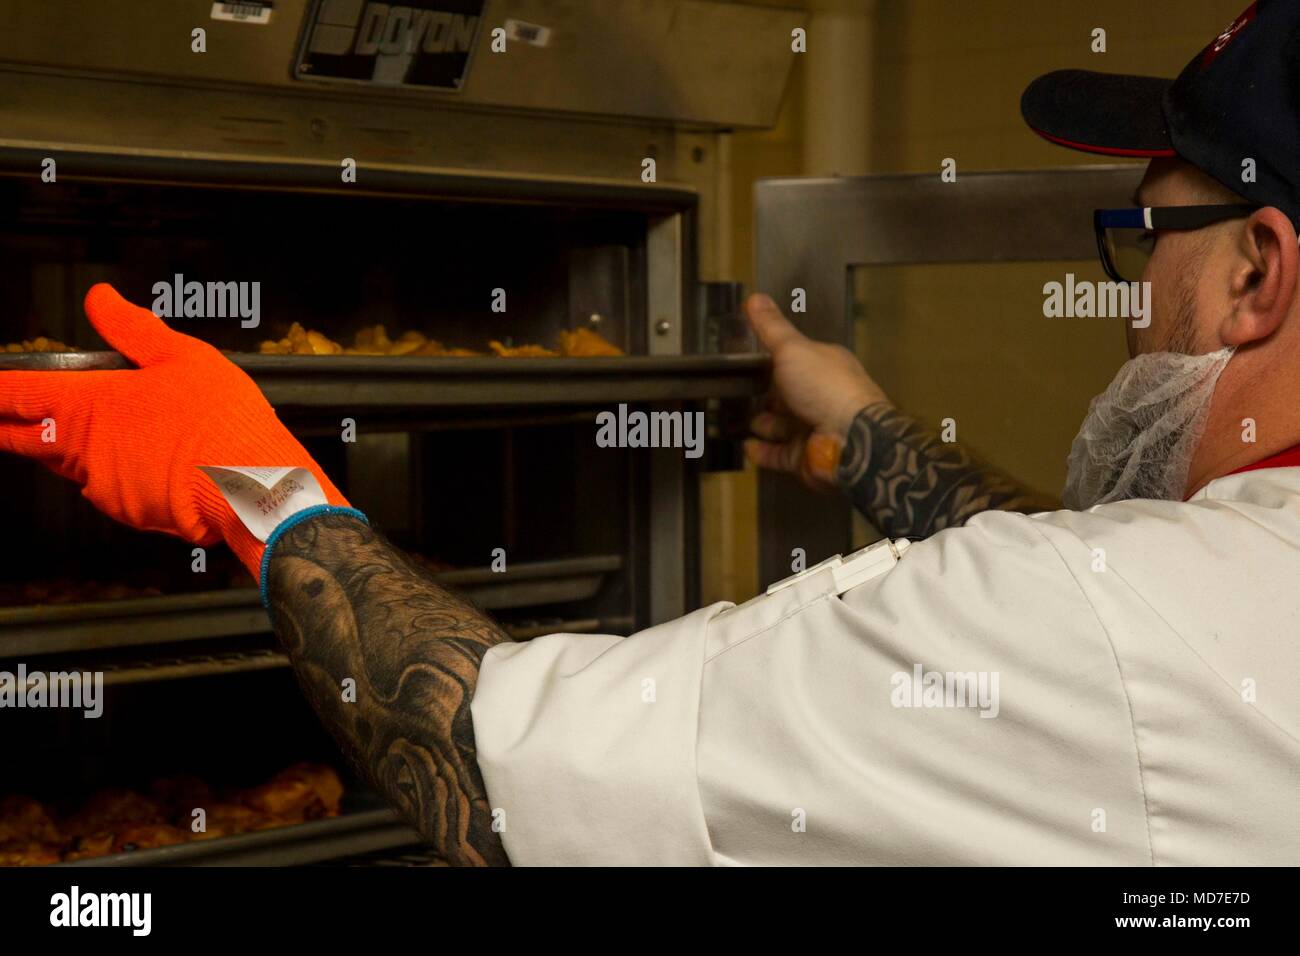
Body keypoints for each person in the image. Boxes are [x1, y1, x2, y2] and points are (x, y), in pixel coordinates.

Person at [3, 0, 1299, 866]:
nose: (1129, 302)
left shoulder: (1147, 638)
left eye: (1144, 238)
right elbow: (1112, 622)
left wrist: (244, 478)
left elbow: (493, 760)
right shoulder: (1216, 607)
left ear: (1257, 272)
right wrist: (864, 437)